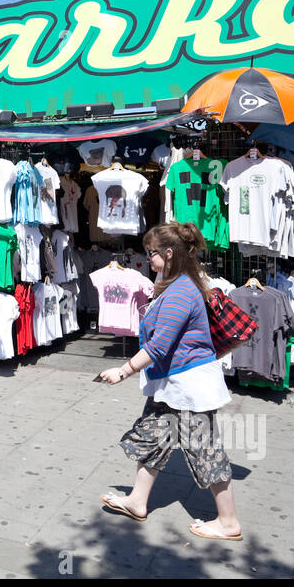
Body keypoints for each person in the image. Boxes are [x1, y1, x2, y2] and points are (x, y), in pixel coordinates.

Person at [98, 222, 242, 542]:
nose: (148, 258)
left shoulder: (181, 291)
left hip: (190, 387)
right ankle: (137, 500)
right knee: (153, 437)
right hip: (171, 384)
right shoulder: (173, 283)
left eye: (151, 253)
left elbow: (160, 345)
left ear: (168, 253)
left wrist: (124, 371)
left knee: (204, 450)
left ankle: (229, 522)